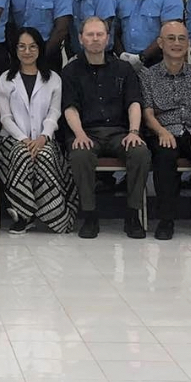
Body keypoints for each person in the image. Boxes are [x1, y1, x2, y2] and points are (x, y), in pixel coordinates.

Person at [60, 17, 144, 239]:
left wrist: (134, 132)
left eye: (100, 34)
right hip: (86, 132)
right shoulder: (70, 70)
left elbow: (134, 102)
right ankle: (89, 215)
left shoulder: (124, 69)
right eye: (90, 34)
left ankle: (132, 215)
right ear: (80, 39)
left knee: (140, 152)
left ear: (107, 38)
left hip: (120, 132)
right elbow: (69, 106)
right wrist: (79, 134)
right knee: (79, 154)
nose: (95, 39)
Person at [139, 20, 191, 241]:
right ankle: (166, 221)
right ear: (160, 43)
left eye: (181, 38)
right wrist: (161, 132)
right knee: (164, 157)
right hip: (163, 131)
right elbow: (147, 112)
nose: (177, 43)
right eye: (171, 38)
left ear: (188, 43)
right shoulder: (147, 75)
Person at [0, 27, 75, 234]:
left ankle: (56, 217)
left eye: (32, 46)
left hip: (44, 139)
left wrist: (43, 137)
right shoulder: (5, 79)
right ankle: (24, 216)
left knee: (46, 155)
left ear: (40, 49)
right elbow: (5, 118)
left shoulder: (53, 79)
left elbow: (54, 112)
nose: (27, 51)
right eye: (22, 46)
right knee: (22, 155)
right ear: (15, 50)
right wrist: (23, 139)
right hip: (12, 140)